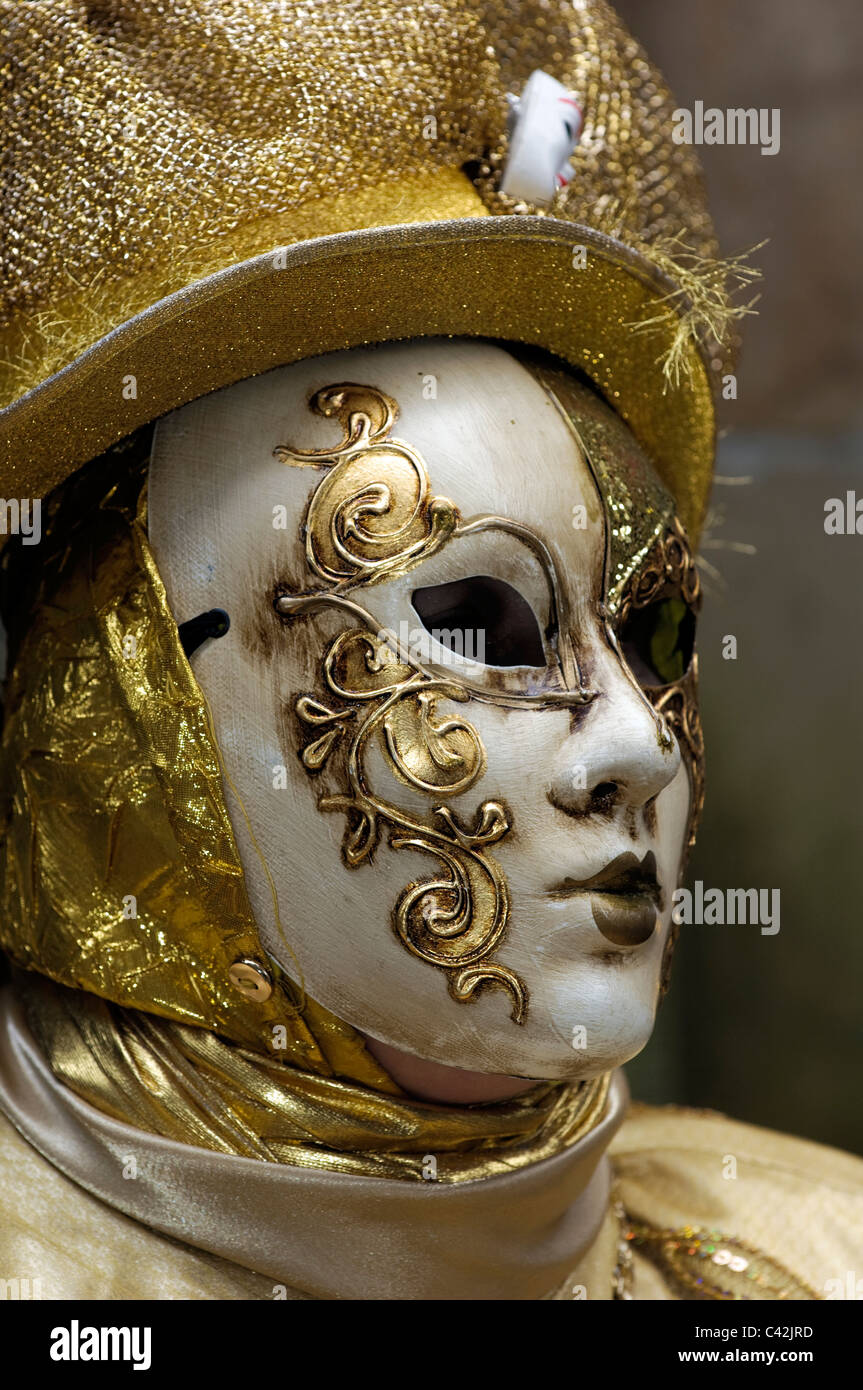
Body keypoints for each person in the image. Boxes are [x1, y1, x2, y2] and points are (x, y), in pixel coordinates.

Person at [0, 0, 860, 1301]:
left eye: (657, 635)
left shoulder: (816, 1251)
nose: (635, 743)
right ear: (135, 707)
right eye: (478, 623)